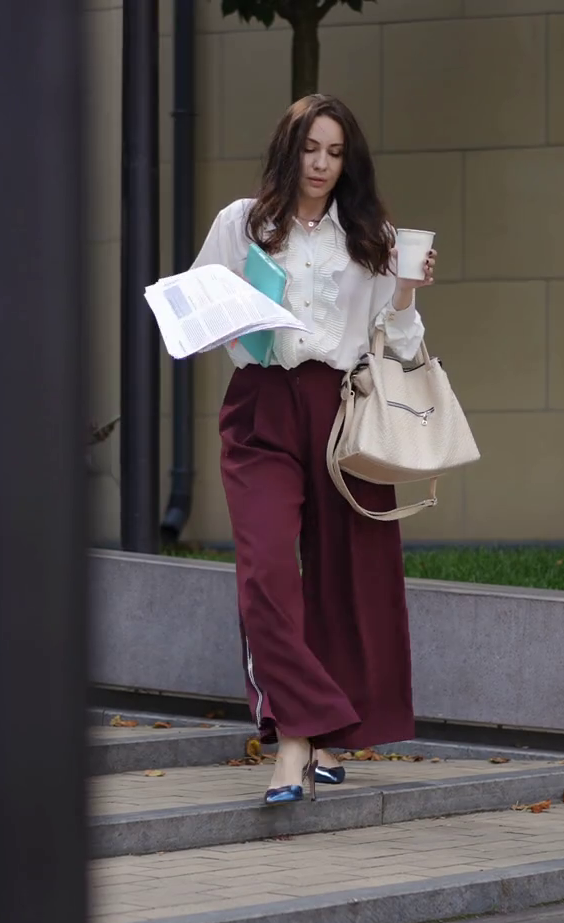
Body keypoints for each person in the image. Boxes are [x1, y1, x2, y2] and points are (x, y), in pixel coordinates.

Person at [191, 95, 436, 806]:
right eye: (310, 149)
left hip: (341, 408)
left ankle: (323, 738)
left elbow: (402, 346)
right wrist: (231, 320)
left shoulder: (371, 235)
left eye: (333, 152)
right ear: (288, 150)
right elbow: (205, 310)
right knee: (265, 570)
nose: (321, 164)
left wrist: (408, 294)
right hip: (261, 403)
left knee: (346, 576)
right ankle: (296, 734)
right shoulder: (242, 224)